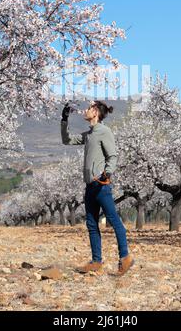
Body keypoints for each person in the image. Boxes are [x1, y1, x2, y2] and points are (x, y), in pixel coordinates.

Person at [61, 100, 134, 276]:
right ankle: (96, 262)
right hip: (90, 186)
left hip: (101, 186)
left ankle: (125, 258)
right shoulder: (89, 134)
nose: (85, 111)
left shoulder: (104, 131)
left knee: (113, 220)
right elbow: (66, 140)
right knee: (92, 224)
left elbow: (113, 156)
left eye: (89, 108)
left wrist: (106, 174)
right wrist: (64, 119)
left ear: (96, 112)